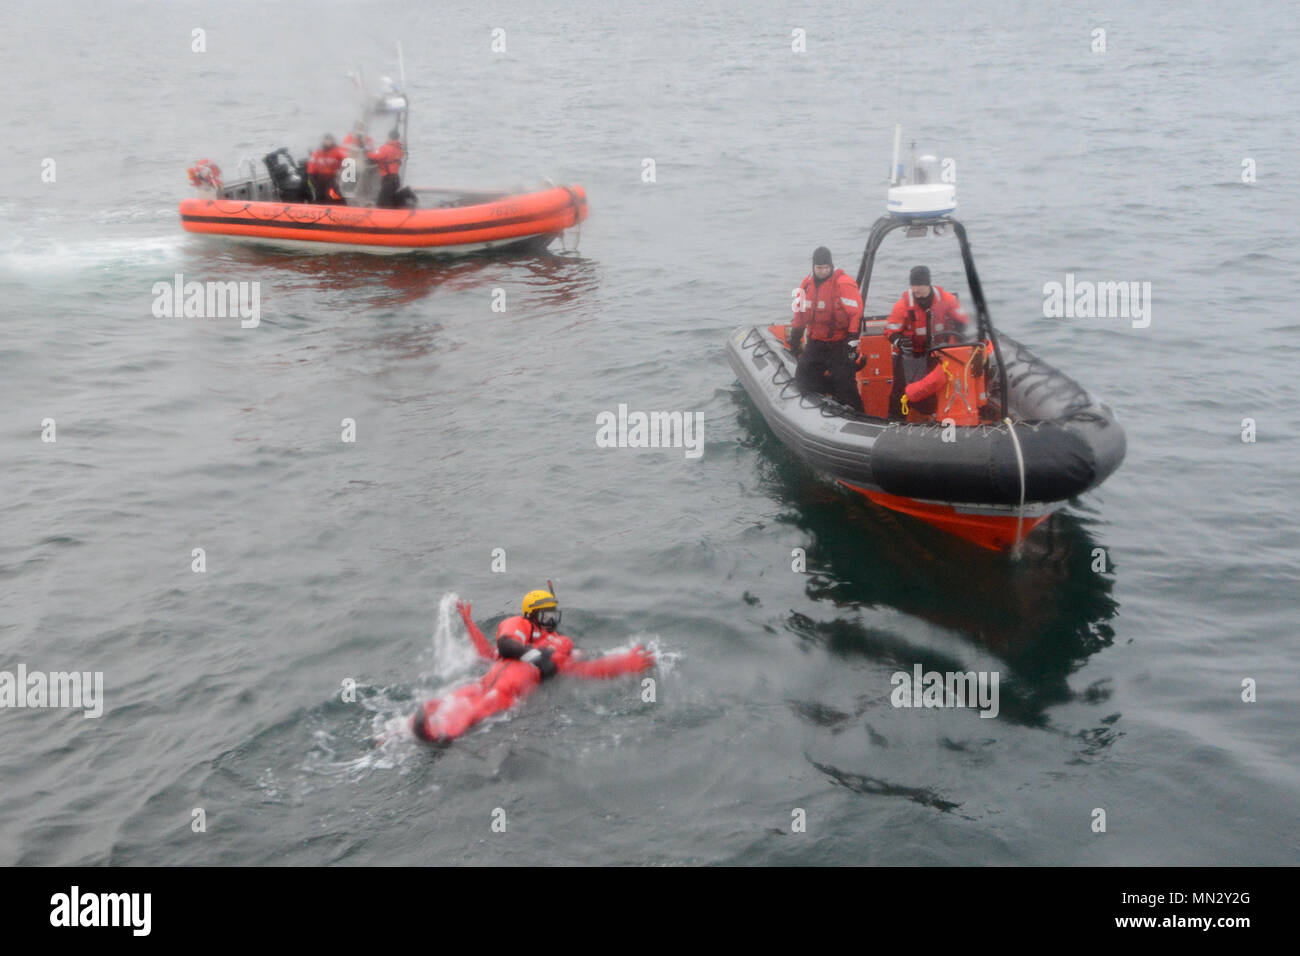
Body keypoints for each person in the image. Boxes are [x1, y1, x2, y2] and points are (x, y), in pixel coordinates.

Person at [411, 589, 655, 744]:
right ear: (532, 616)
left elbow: (584, 668)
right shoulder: (522, 633)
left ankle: (446, 734)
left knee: (486, 702)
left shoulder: (559, 646)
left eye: (553, 616)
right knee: (461, 695)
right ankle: (404, 730)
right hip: (491, 678)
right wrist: (469, 623)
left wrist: (624, 663)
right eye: (545, 616)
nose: (551, 622)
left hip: (509, 689)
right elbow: (491, 652)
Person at [880, 265, 970, 417]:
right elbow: (890, 331)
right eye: (913, 285)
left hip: (940, 354)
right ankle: (894, 420)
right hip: (911, 356)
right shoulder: (903, 305)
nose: (915, 289)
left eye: (919, 285)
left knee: (944, 387)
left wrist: (955, 344)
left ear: (928, 284)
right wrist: (900, 342)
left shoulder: (947, 300)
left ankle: (944, 417)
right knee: (900, 391)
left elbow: (963, 322)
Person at [788, 246, 864, 411]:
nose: (822, 271)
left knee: (846, 388)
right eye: (819, 267)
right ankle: (829, 394)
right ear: (813, 267)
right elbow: (800, 314)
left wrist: (852, 342)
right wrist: (795, 338)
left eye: (825, 267)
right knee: (802, 380)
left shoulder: (844, 283)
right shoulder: (806, 284)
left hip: (839, 344)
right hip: (815, 343)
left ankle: (858, 415)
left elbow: (855, 315)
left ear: (831, 265)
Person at [366, 129, 409, 209]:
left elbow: (378, 156)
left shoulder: (386, 148)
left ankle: (384, 219)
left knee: (382, 203)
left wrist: (367, 154)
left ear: (389, 137)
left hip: (388, 180)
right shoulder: (399, 149)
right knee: (391, 200)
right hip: (396, 179)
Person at [306, 134, 350, 204]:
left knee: (335, 195)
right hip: (320, 178)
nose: (327, 142)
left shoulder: (338, 151)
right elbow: (311, 164)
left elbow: (347, 160)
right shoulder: (318, 152)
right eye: (326, 140)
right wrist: (310, 174)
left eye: (329, 140)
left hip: (333, 178)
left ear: (333, 141)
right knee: (319, 195)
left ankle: (341, 207)